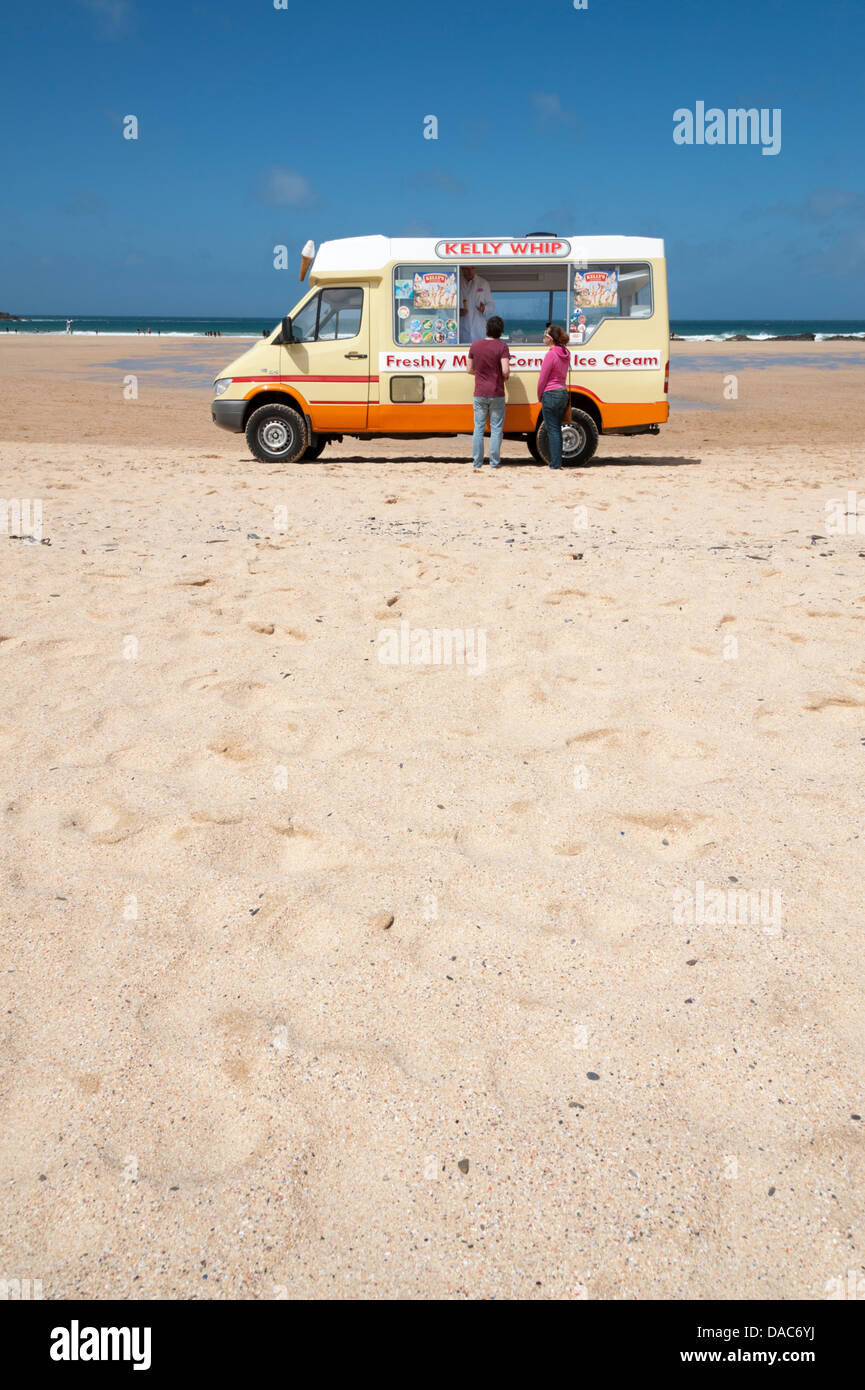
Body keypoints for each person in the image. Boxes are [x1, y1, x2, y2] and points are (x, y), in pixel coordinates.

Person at [467, 315, 510, 471]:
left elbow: (469, 369)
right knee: (496, 428)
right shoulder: (502, 346)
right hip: (496, 392)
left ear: (486, 329)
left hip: (479, 392)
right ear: (501, 331)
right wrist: (504, 376)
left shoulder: (475, 345)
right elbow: (505, 370)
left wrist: (480, 374)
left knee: (478, 427)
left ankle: (477, 462)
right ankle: (494, 462)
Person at [537, 324, 570, 469]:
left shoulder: (551, 354)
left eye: (546, 335)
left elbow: (543, 378)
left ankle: (555, 463)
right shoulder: (566, 353)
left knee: (553, 430)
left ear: (551, 339)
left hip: (550, 393)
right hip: (562, 392)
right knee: (557, 428)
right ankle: (557, 461)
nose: (544, 337)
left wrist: (539, 395)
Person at [460, 266, 495, 342]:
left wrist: (484, 309)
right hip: (461, 330)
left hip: (479, 330)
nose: (470, 271)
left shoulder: (483, 283)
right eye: (467, 268)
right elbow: (448, 307)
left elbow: (491, 306)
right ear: (462, 268)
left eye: (472, 268)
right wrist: (457, 312)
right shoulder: (457, 283)